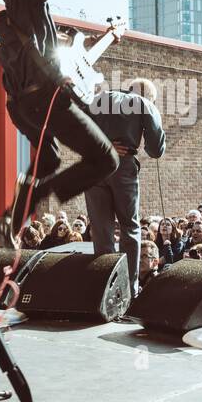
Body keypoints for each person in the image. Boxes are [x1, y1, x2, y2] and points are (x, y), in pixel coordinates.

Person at [0, 0, 121, 244]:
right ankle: (41, 194)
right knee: (107, 160)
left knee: (48, 159)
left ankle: (12, 217)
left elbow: (67, 61)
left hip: (21, 108)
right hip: (45, 100)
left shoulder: (12, 20)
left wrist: (105, 39)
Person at [84, 77, 166, 295]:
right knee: (129, 227)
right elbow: (155, 150)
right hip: (122, 168)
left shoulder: (97, 98)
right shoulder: (144, 104)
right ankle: (128, 291)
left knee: (101, 230)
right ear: (149, 96)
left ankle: (104, 290)